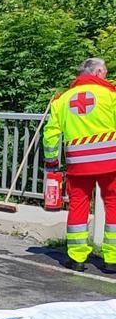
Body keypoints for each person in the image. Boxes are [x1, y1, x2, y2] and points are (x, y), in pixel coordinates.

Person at [43, 57, 116, 272]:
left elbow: (51, 135)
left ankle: (77, 258)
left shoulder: (61, 100)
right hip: (110, 161)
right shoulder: (110, 95)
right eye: (105, 72)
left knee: (78, 205)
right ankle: (112, 259)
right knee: (113, 205)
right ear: (98, 72)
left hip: (78, 164)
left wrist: (52, 162)